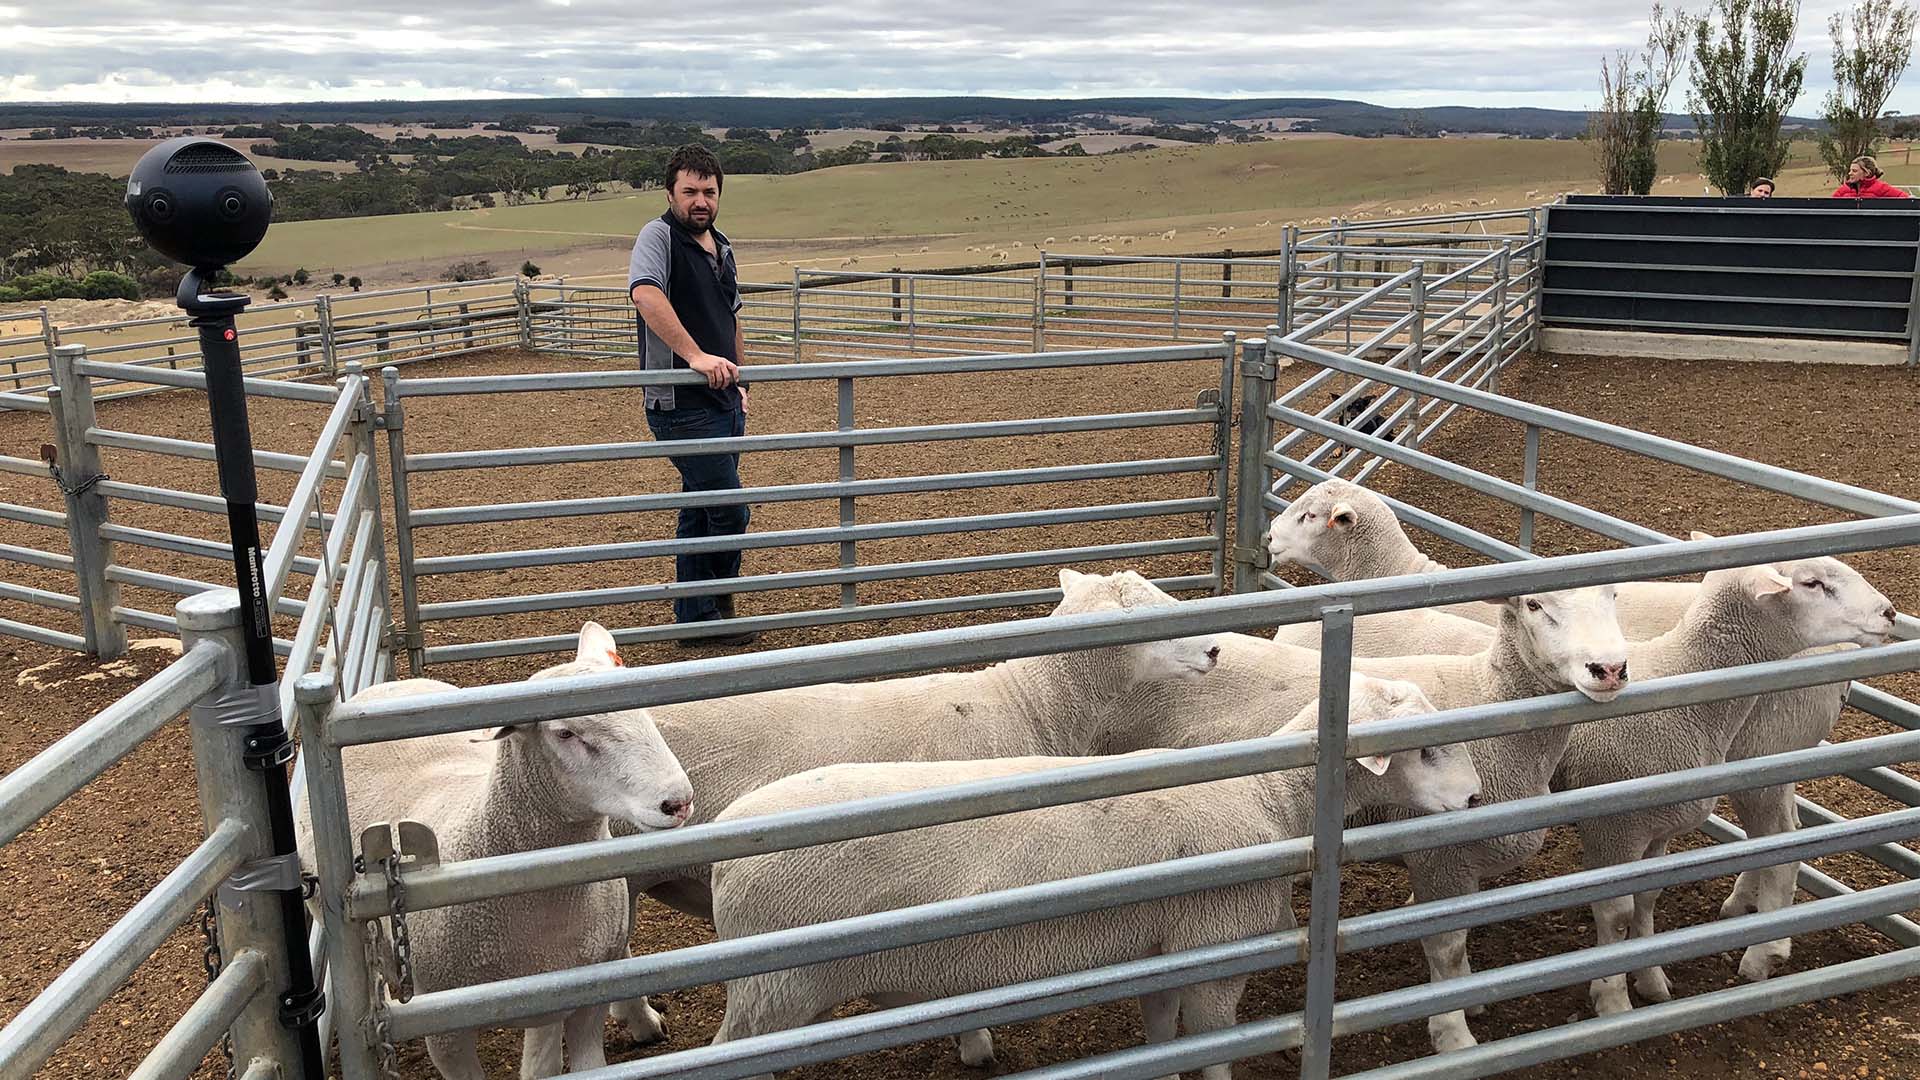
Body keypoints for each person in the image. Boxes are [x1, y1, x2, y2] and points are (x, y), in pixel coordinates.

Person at [629, 144, 756, 646]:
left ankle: (695, 615)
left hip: (724, 400)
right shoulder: (657, 236)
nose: (700, 200)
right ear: (670, 193)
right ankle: (712, 603)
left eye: (709, 191)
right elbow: (646, 294)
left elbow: (733, 315)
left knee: (700, 507)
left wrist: (739, 378)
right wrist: (697, 357)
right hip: (679, 402)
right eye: (690, 191)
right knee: (728, 508)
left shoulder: (721, 245)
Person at [1831, 155, 1912, 199]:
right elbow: (1830, 206)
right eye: (1850, 170)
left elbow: (1907, 199)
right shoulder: (1844, 189)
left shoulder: (1881, 188)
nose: (1850, 173)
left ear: (1867, 173)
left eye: (1854, 171)